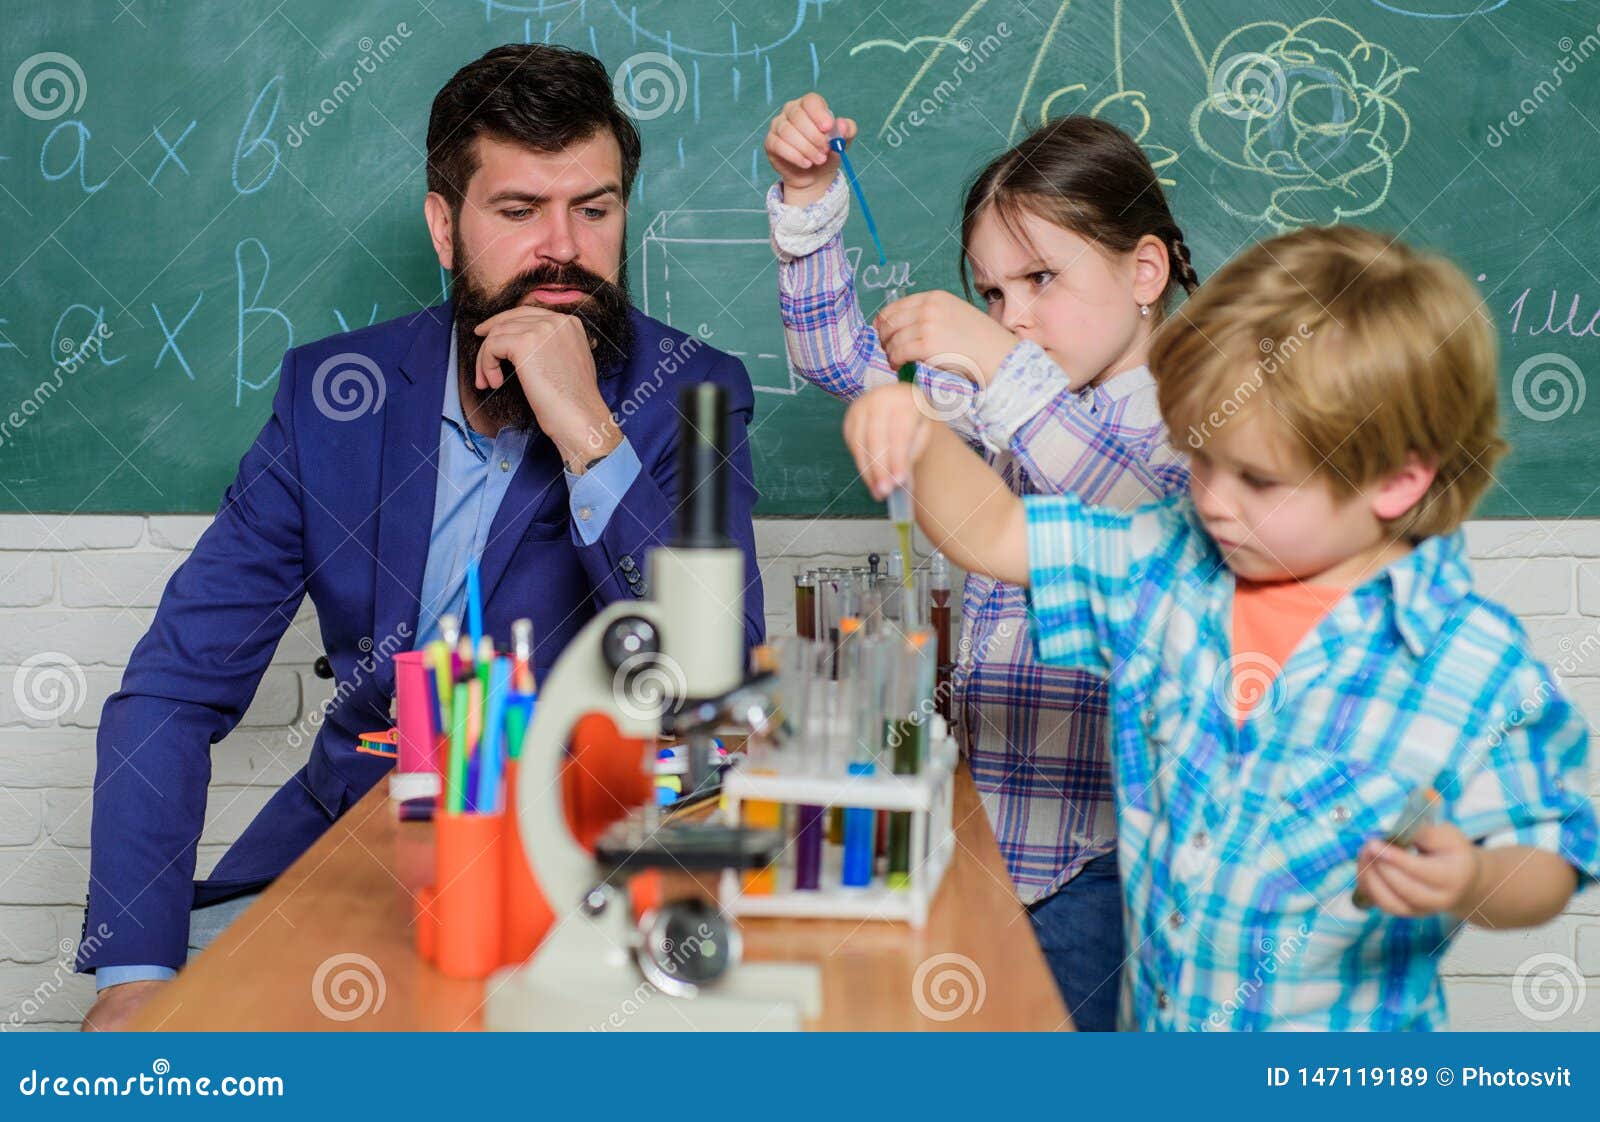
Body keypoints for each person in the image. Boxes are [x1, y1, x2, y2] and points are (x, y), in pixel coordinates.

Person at [78, 44, 765, 1029]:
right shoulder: (332, 399)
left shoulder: (693, 397)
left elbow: (718, 680)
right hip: (349, 855)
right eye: (519, 212)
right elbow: (176, 689)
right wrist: (133, 972)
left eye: (595, 209)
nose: (562, 248)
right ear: (446, 226)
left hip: (578, 877)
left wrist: (589, 435)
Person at [841, 224, 1599, 1029]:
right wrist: (914, 432)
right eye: (1199, 458)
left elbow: (1550, 851)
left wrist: (1473, 880)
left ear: (1397, 479)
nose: (1211, 499)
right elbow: (995, 531)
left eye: (1257, 478)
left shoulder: (1469, 662)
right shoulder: (1166, 565)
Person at [764, 94, 1197, 1028]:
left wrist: (1000, 358)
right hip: (986, 834)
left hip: (1101, 864)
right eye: (994, 292)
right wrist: (811, 201)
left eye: (1042, 278)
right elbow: (841, 362)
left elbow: (1127, 505)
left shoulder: (1193, 418)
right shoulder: (1007, 394)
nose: (1015, 315)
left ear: (1146, 270)